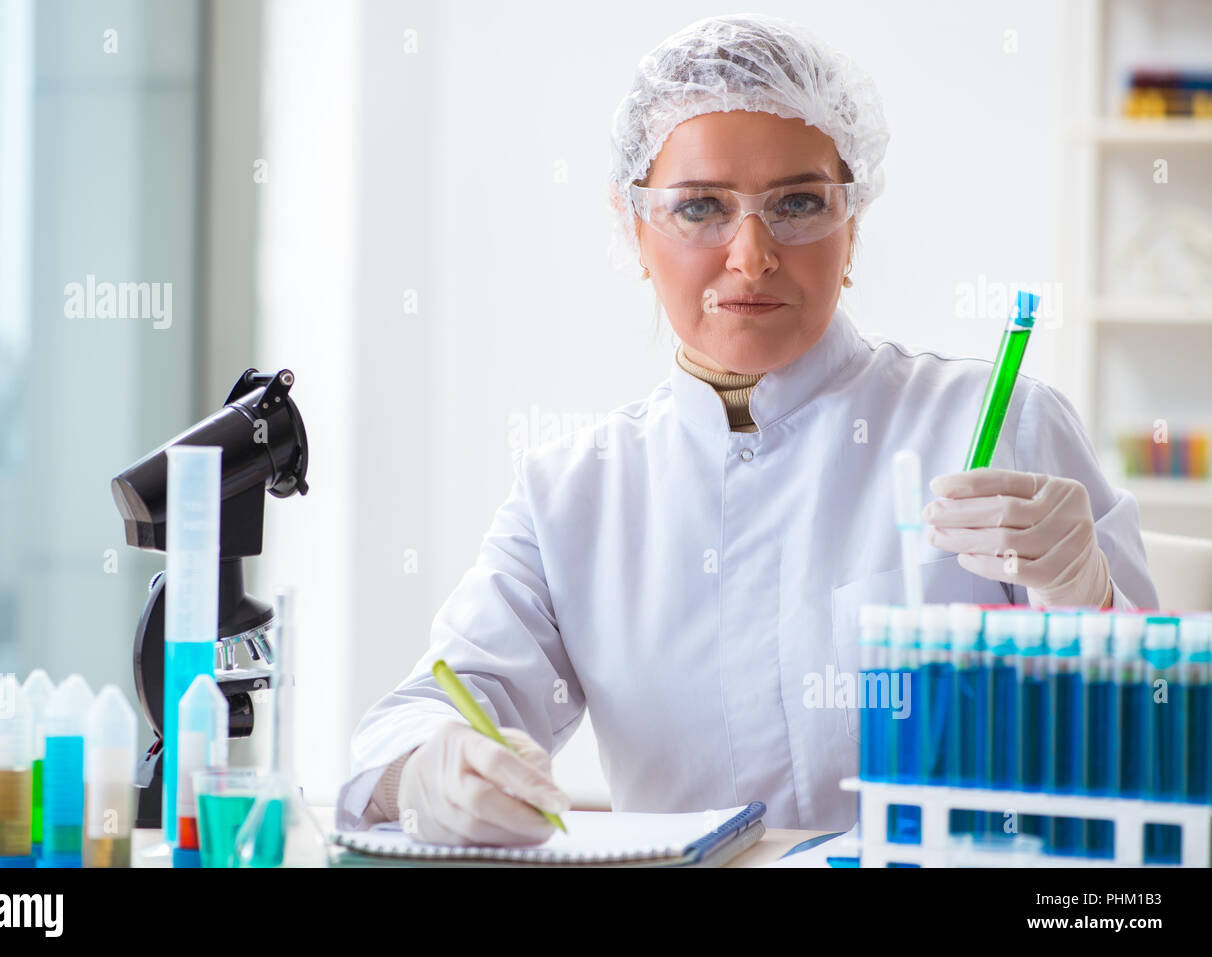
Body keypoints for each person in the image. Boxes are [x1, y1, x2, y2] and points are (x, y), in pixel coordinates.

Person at [335, 13, 1158, 845]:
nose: (753, 254)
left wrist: (1088, 598)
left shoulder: (993, 423)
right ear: (635, 228)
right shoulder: (573, 494)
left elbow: (1157, 752)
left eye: (799, 202)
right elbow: (414, 722)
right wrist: (432, 771)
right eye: (700, 208)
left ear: (853, 223)